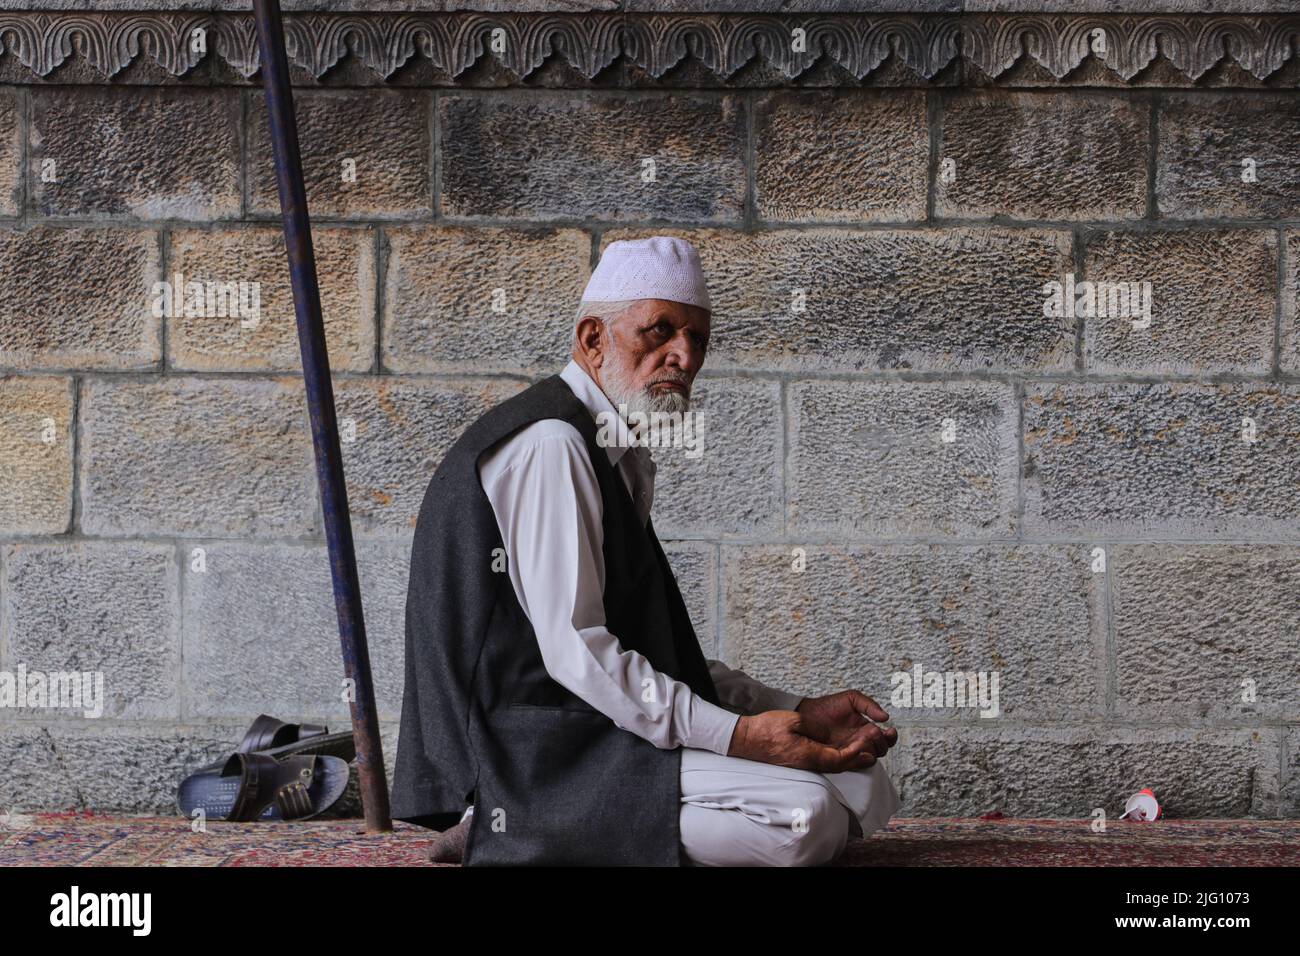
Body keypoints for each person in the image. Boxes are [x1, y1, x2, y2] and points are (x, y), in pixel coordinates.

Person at [390, 236, 901, 865]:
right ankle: (510, 821)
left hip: (595, 730)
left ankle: (560, 829)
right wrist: (740, 738)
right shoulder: (554, 446)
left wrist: (791, 711)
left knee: (863, 779)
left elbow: (650, 649)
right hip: (530, 751)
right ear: (593, 339)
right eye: (658, 332)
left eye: (696, 340)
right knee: (808, 819)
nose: (681, 356)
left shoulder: (619, 455)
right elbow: (578, 650)